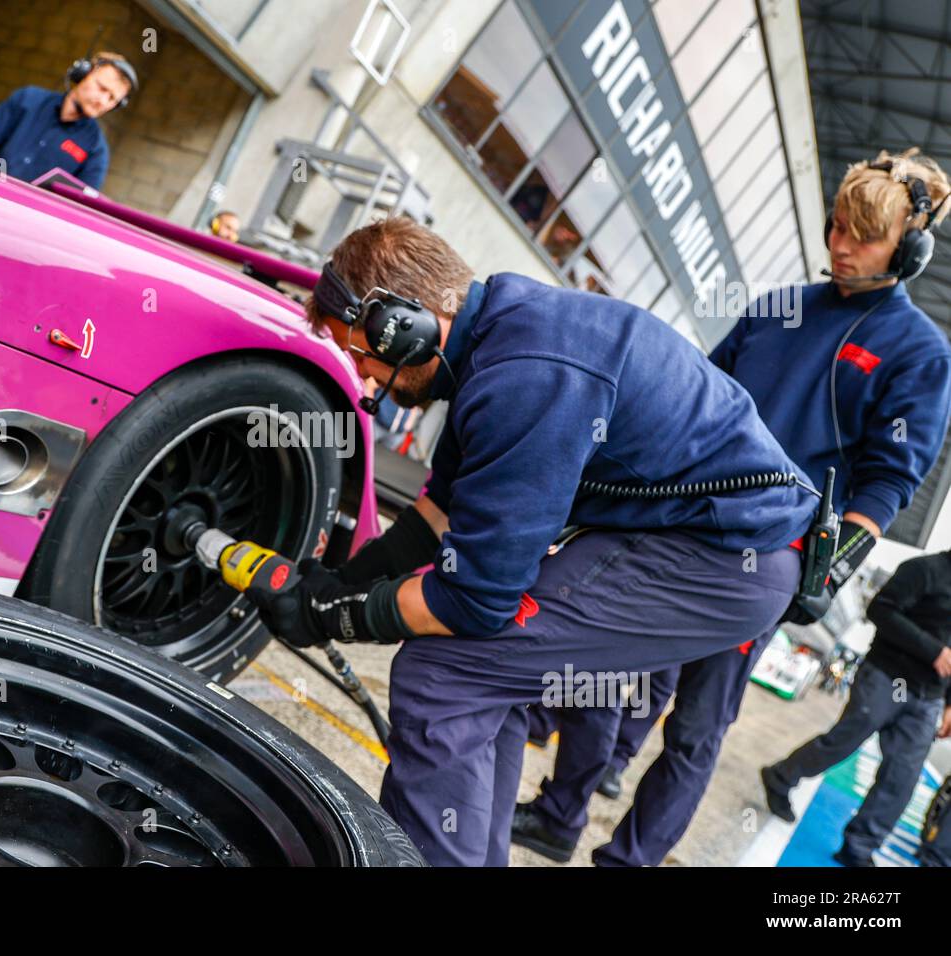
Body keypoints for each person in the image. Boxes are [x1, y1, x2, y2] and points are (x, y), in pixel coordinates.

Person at [244, 215, 818, 866]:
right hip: (713, 543)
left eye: (363, 356)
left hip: (725, 556)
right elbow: (440, 517)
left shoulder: (524, 372)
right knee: (493, 676)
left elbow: (475, 601)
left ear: (407, 324)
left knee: (445, 673)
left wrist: (335, 616)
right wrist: (342, 581)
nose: (367, 381)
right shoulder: (497, 343)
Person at [513, 148, 951, 867]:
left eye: (861, 237)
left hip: (764, 562)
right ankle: (560, 818)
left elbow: (889, 483)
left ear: (907, 251)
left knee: (695, 728)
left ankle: (630, 860)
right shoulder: (783, 307)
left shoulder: (918, 355)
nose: (839, 246)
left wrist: (825, 572)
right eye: (836, 226)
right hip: (675, 524)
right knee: (598, 674)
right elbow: (697, 390)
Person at [764, 549, 951, 866]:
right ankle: (781, 776)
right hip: (887, 676)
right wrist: (932, 650)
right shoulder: (925, 569)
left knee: (902, 777)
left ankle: (859, 847)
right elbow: (881, 609)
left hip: (929, 696)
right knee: (841, 743)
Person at [0, 53, 137, 189]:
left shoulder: (96, 150)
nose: (103, 101)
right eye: (102, 88)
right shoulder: (28, 98)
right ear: (83, 74)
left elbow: (81, 208)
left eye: (112, 98)